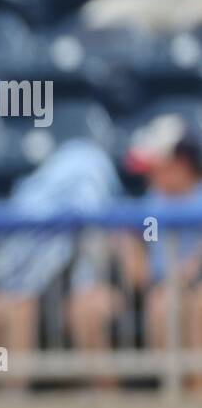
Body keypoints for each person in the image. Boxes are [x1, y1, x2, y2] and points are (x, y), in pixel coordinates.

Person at [0, 140, 122, 389]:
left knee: (85, 308)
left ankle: (106, 399)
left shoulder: (108, 217)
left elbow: (134, 276)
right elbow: (12, 276)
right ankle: (9, 399)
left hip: (87, 294)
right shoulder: (30, 218)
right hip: (35, 298)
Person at [66, 113, 202, 387]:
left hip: (189, 291)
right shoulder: (147, 205)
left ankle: (190, 400)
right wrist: (126, 249)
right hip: (152, 290)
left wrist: (180, 279)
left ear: (182, 163)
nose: (150, 173)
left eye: (158, 165)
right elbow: (138, 274)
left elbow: (190, 269)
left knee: (181, 303)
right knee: (86, 306)